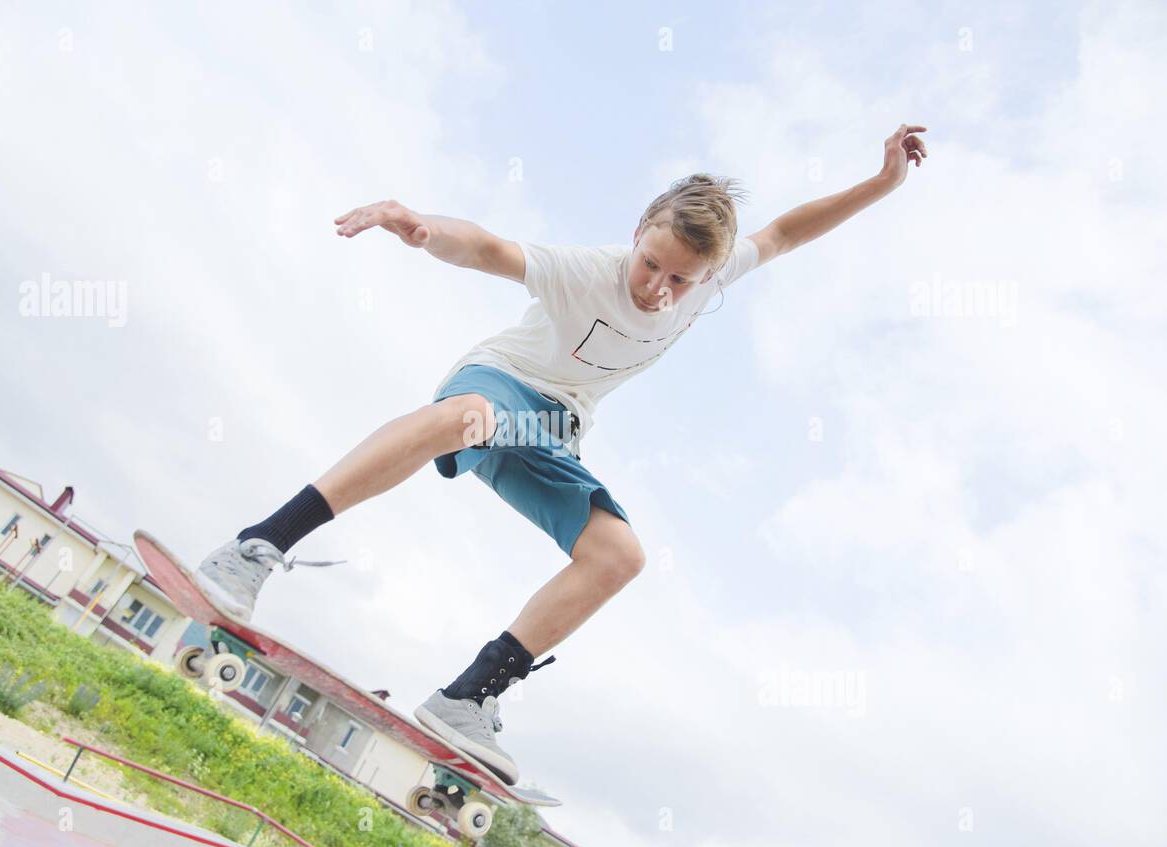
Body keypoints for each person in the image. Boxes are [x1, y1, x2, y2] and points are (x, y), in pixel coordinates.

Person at [194, 125, 929, 784]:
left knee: (619, 555)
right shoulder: (589, 270)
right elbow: (490, 249)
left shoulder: (716, 275)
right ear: (639, 233)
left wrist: (883, 183)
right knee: (467, 419)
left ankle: (467, 698)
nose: (658, 289)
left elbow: (789, 231)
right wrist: (422, 228)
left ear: (710, 274)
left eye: (680, 280)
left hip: (556, 428)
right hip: (503, 383)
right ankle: (255, 547)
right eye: (651, 265)